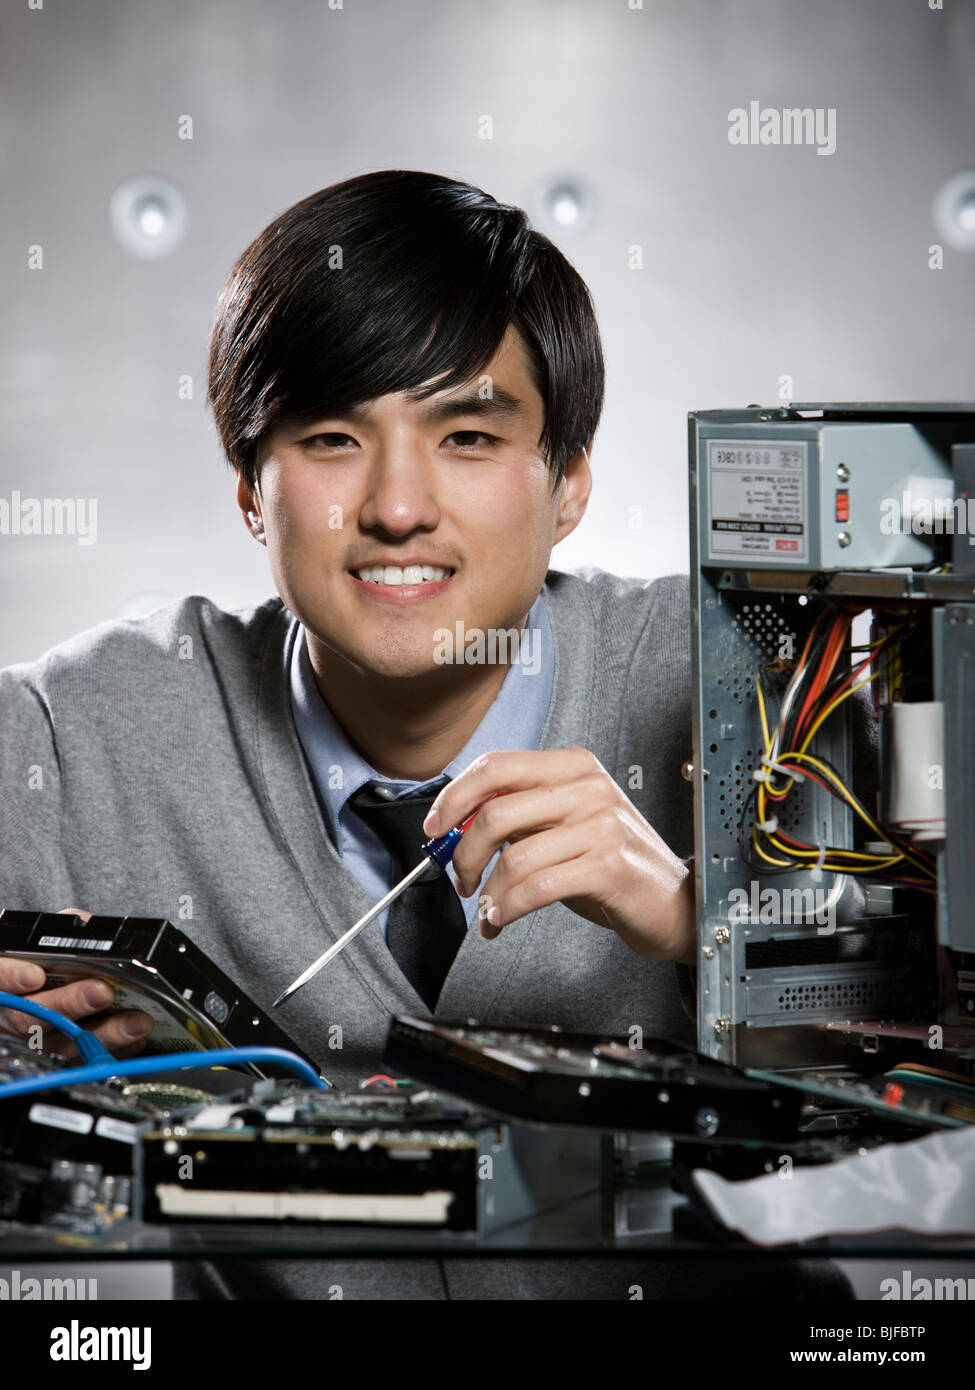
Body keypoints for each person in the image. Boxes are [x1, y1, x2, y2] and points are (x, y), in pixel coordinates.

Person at [0, 170, 849, 1300]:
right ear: (252, 487)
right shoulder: (67, 736)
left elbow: (927, 1103)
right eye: (333, 436)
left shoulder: (758, 685)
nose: (400, 506)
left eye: (467, 435)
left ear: (571, 485)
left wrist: (708, 924)